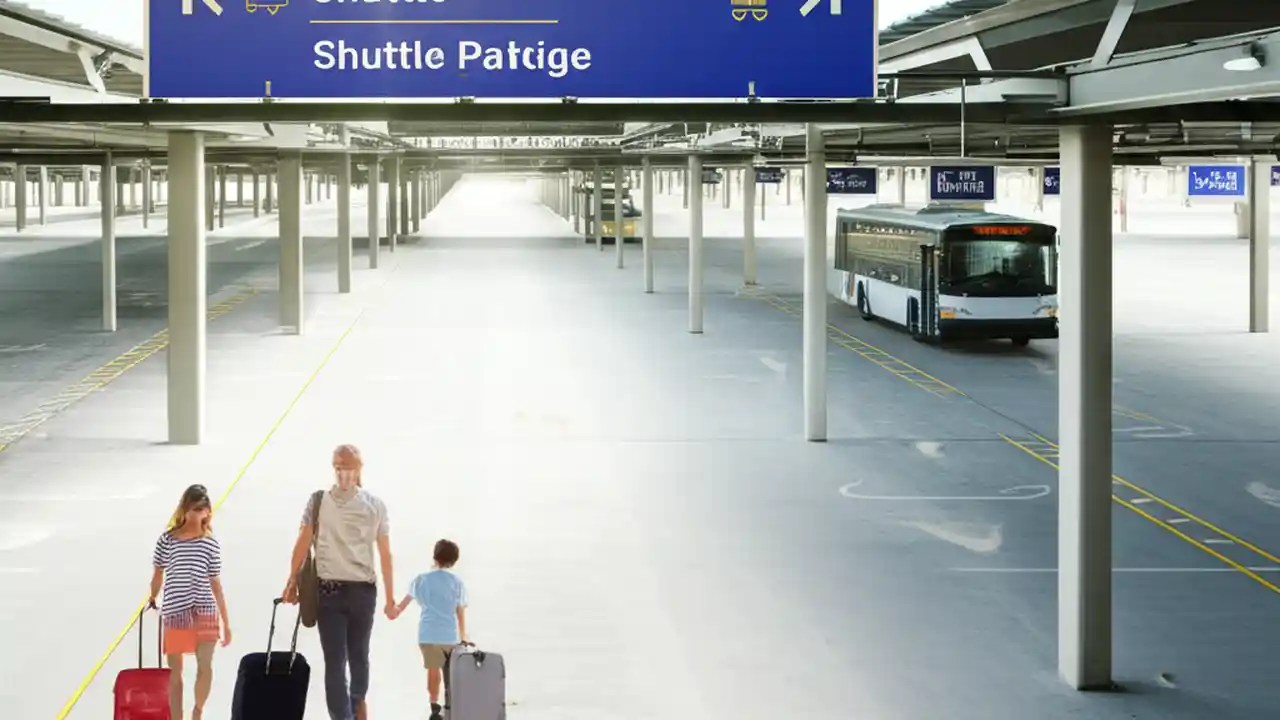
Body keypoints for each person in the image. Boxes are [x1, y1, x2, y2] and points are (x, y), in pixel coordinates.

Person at [283, 444, 396, 720]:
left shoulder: (375, 505)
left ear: (359, 470)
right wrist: (291, 580)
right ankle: (344, 715)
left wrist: (390, 598)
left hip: (363, 591)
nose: (343, 474)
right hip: (329, 591)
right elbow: (303, 541)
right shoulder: (318, 501)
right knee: (336, 662)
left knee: (358, 658)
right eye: (338, 468)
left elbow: (385, 553)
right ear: (333, 468)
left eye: (348, 468)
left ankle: (355, 703)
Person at [148, 484, 232, 720]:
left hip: (205, 611)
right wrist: (152, 597)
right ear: (184, 510)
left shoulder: (210, 543)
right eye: (193, 509)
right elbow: (158, 574)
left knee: (205, 667)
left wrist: (226, 622)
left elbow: (216, 584)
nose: (197, 514)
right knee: (174, 674)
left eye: (202, 510)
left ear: (208, 512)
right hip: (176, 611)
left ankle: (197, 712)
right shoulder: (167, 540)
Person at [389, 539, 469, 720]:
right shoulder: (456, 582)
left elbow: (401, 607)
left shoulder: (421, 579)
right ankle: (451, 707)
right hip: (450, 636)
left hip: (428, 635)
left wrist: (392, 609)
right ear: (453, 560)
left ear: (435, 556)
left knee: (433, 672)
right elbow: (460, 611)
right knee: (451, 674)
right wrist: (464, 636)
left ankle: (434, 708)